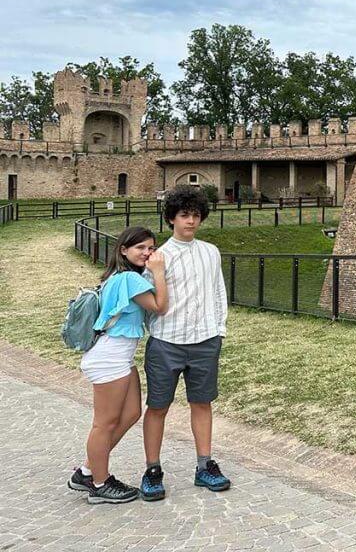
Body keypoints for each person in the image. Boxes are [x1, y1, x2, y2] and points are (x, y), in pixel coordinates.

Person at [140, 185, 230, 501]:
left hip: (205, 340)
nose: (190, 221)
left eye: (194, 215)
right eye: (183, 215)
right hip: (167, 341)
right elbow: (149, 301)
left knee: (202, 403)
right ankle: (152, 469)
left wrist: (219, 328)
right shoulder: (158, 257)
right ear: (171, 218)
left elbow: (219, 292)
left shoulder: (211, 252)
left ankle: (204, 465)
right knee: (157, 406)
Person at [70, 226, 168, 504]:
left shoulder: (117, 276)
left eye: (151, 248)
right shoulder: (128, 279)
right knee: (104, 423)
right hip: (110, 357)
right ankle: (98, 484)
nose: (147, 253)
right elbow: (160, 306)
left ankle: (88, 470)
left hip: (119, 356)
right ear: (123, 250)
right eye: (140, 248)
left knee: (131, 413)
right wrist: (159, 272)